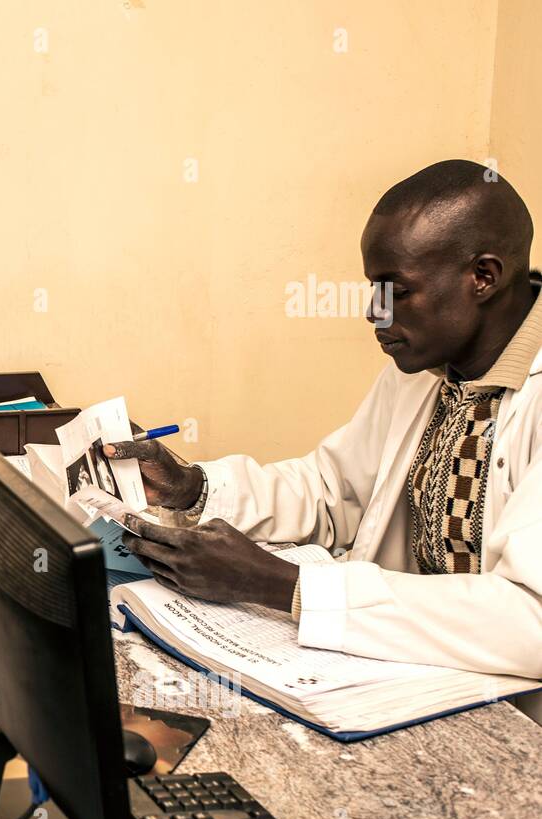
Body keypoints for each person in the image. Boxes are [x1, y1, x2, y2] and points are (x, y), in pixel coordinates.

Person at [113, 160, 542, 688]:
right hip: (410, 677)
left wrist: (284, 585)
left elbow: (529, 618)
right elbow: (330, 491)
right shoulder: (422, 374)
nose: (373, 312)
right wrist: (191, 487)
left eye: (396, 290)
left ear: (484, 277)